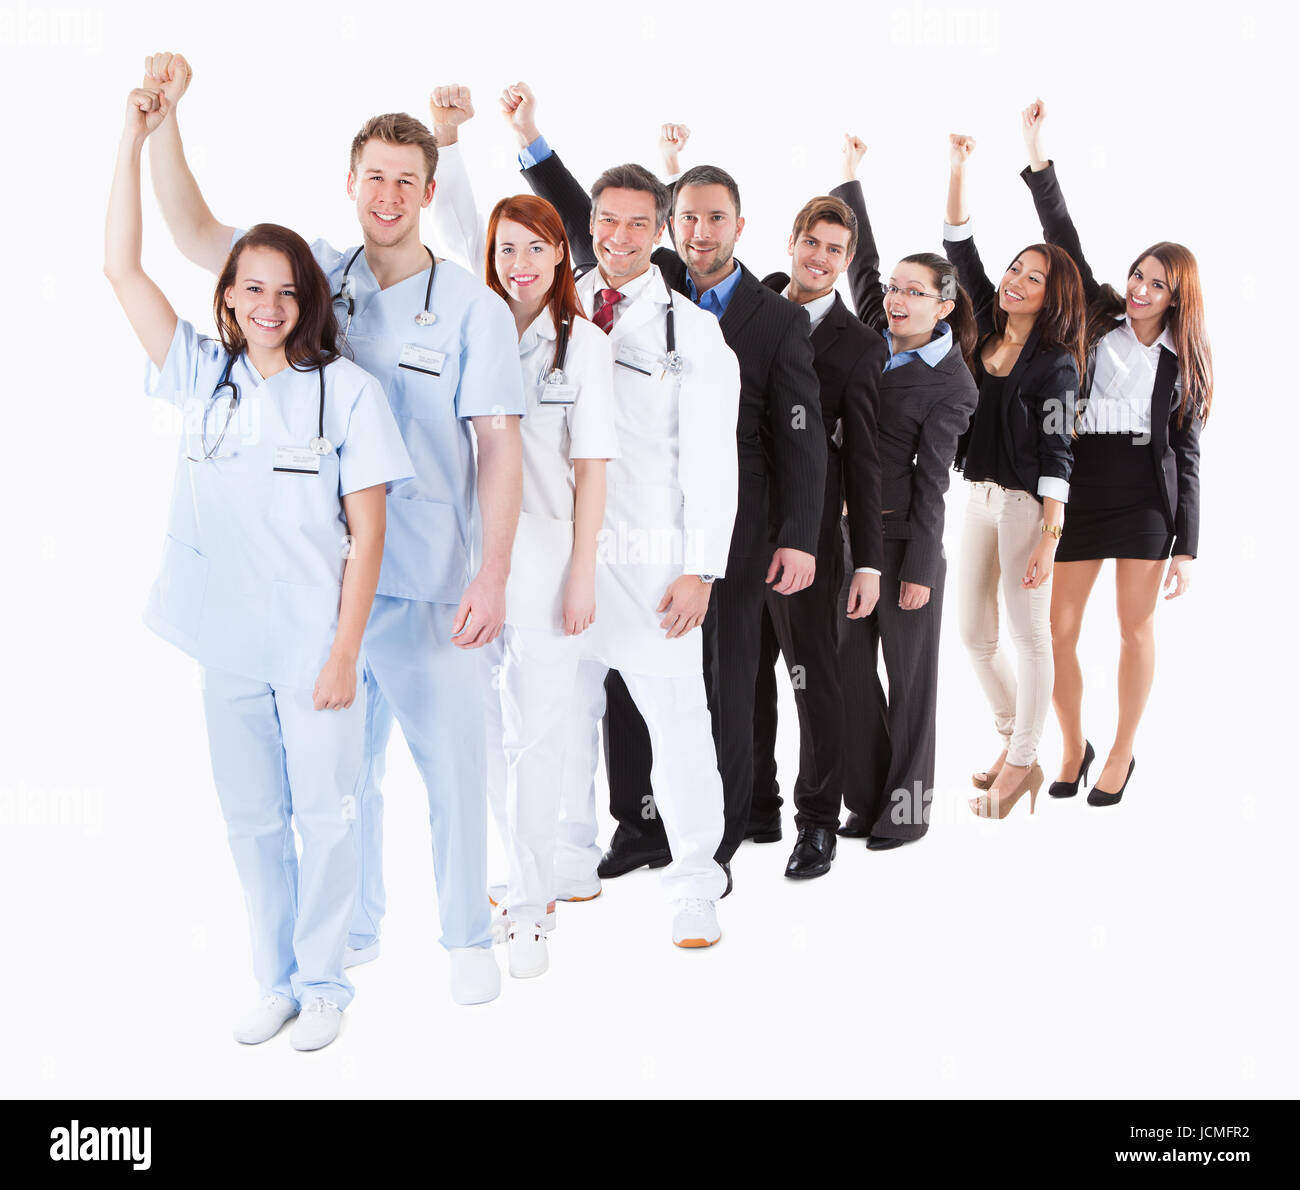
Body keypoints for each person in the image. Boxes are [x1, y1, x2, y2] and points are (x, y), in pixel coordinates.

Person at [142, 52, 525, 1005]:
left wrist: (493, 576)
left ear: (430, 189)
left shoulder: (472, 307)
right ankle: (352, 931)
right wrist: (166, 121)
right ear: (350, 184)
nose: (389, 195)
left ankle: (466, 938)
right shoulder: (317, 276)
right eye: (374, 178)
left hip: (432, 576)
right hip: (326, 585)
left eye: (407, 179)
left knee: (452, 768)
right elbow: (194, 235)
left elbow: (500, 448)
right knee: (345, 778)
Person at [106, 84, 413, 1049]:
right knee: (251, 821)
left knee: (326, 816)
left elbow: (370, 539)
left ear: (308, 300)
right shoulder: (203, 376)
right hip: (228, 648)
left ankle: (325, 983)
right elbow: (120, 267)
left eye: (287, 289)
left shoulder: (349, 396)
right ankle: (275, 979)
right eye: (253, 288)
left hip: (316, 648)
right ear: (229, 298)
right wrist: (133, 135)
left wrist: (343, 652)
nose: (270, 304)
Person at [505, 83, 824, 890]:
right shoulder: (558, 313)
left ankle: (695, 878)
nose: (617, 235)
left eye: (638, 223)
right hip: (559, 559)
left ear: (660, 234)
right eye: (604, 222)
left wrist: (702, 568)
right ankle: (570, 861)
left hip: (650, 560)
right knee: (563, 720)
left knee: (680, 720)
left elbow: (713, 463)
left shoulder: (698, 333)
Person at [427, 85, 619, 978]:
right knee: (482, 731)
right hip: (463, 553)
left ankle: (534, 900)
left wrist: (583, 572)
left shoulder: (583, 346)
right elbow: (463, 217)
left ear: (559, 255)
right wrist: (448, 139)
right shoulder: (471, 324)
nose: (515, 262)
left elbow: (593, 470)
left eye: (534, 247)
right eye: (504, 250)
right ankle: (508, 880)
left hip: (545, 555)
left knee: (542, 728)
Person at [1017, 99, 1211, 806]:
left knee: (1134, 629)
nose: (1140, 289)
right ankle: (1073, 743)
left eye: (1157, 284)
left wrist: (1186, 544)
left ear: (1176, 296)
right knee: (1056, 630)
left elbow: (1186, 456)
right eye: (1138, 274)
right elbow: (1060, 234)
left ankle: (1123, 750)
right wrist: (1038, 156)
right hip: (1084, 478)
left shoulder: (1182, 362)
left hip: (1144, 499)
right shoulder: (1098, 314)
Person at [830, 136, 980, 849]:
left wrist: (919, 569)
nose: (895, 297)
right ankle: (866, 799)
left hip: (901, 545)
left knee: (911, 683)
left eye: (913, 291)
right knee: (850, 673)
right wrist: (851, 175)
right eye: (894, 287)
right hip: (844, 539)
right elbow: (861, 256)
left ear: (944, 307)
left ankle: (910, 810)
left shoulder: (951, 384)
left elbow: (933, 484)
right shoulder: (870, 327)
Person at [943, 132, 1086, 820]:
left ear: (1053, 293)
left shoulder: (1057, 361)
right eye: (1015, 269)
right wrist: (960, 167)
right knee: (972, 631)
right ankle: (1012, 740)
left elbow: (1059, 450)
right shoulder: (982, 329)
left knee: (1029, 637)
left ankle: (1025, 762)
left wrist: (1051, 534)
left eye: (1034, 276)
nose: (1015, 280)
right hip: (976, 496)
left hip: (1030, 507)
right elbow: (958, 247)